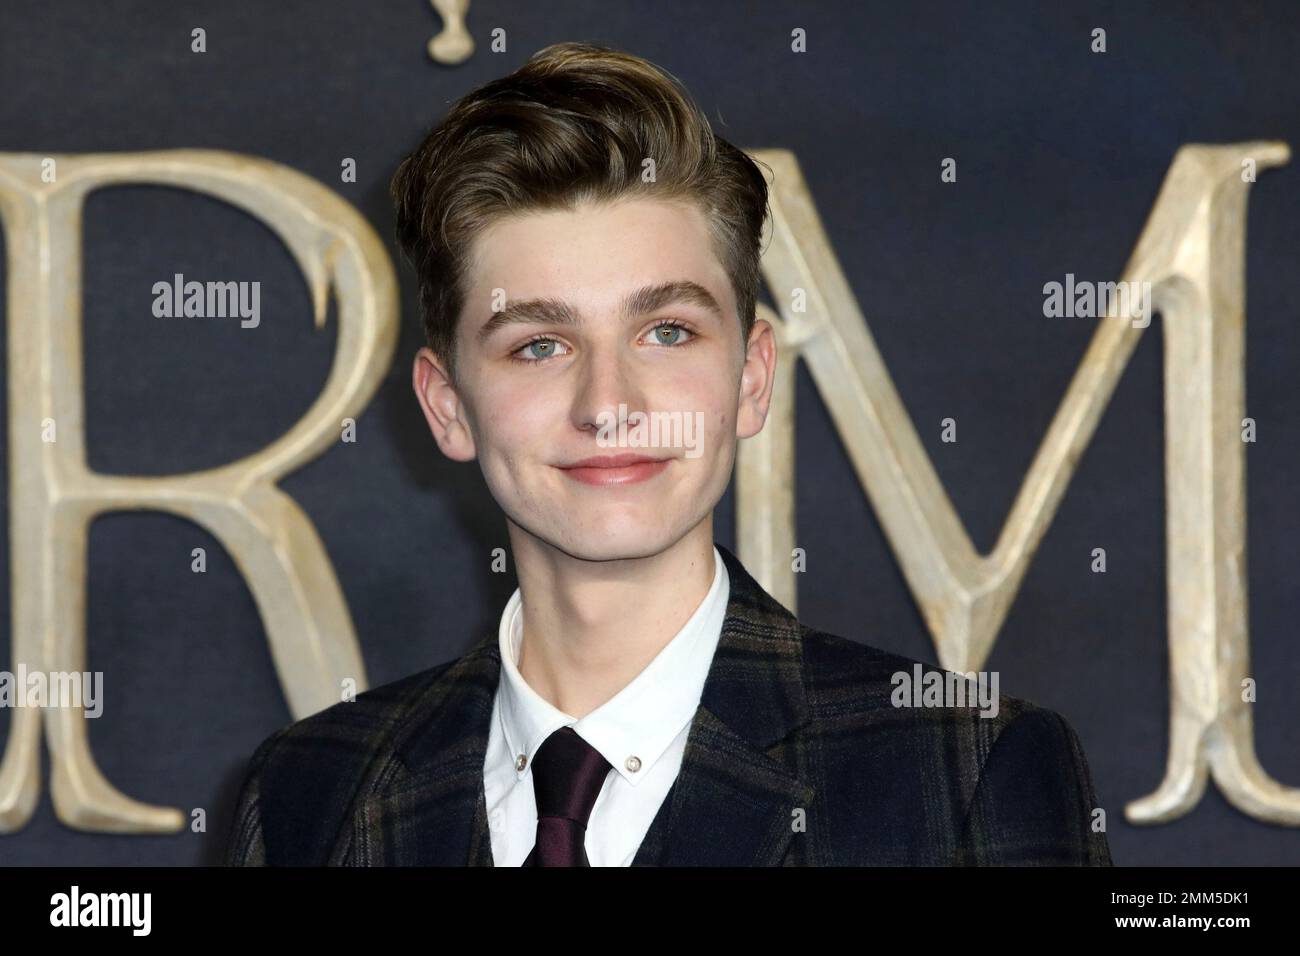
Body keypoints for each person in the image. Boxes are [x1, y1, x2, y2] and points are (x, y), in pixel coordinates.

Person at [223, 41, 1112, 867]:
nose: (609, 406)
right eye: (539, 344)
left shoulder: (962, 771)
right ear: (448, 406)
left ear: (752, 378)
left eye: (668, 331)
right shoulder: (310, 796)